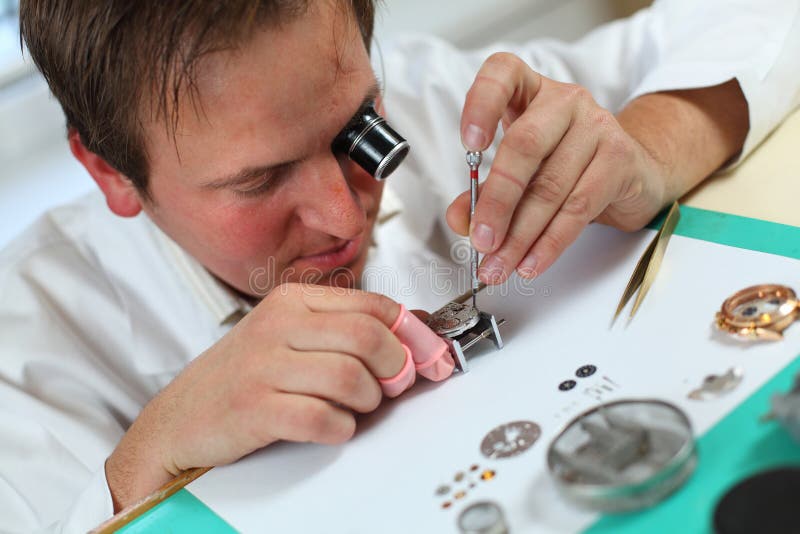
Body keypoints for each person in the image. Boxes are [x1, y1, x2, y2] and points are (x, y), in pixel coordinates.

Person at [3, 0, 798, 530]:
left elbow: (758, 18)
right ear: (109, 172)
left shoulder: (432, 92)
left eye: (357, 129)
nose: (347, 217)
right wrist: (149, 461)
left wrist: (651, 149)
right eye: (258, 181)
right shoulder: (30, 346)